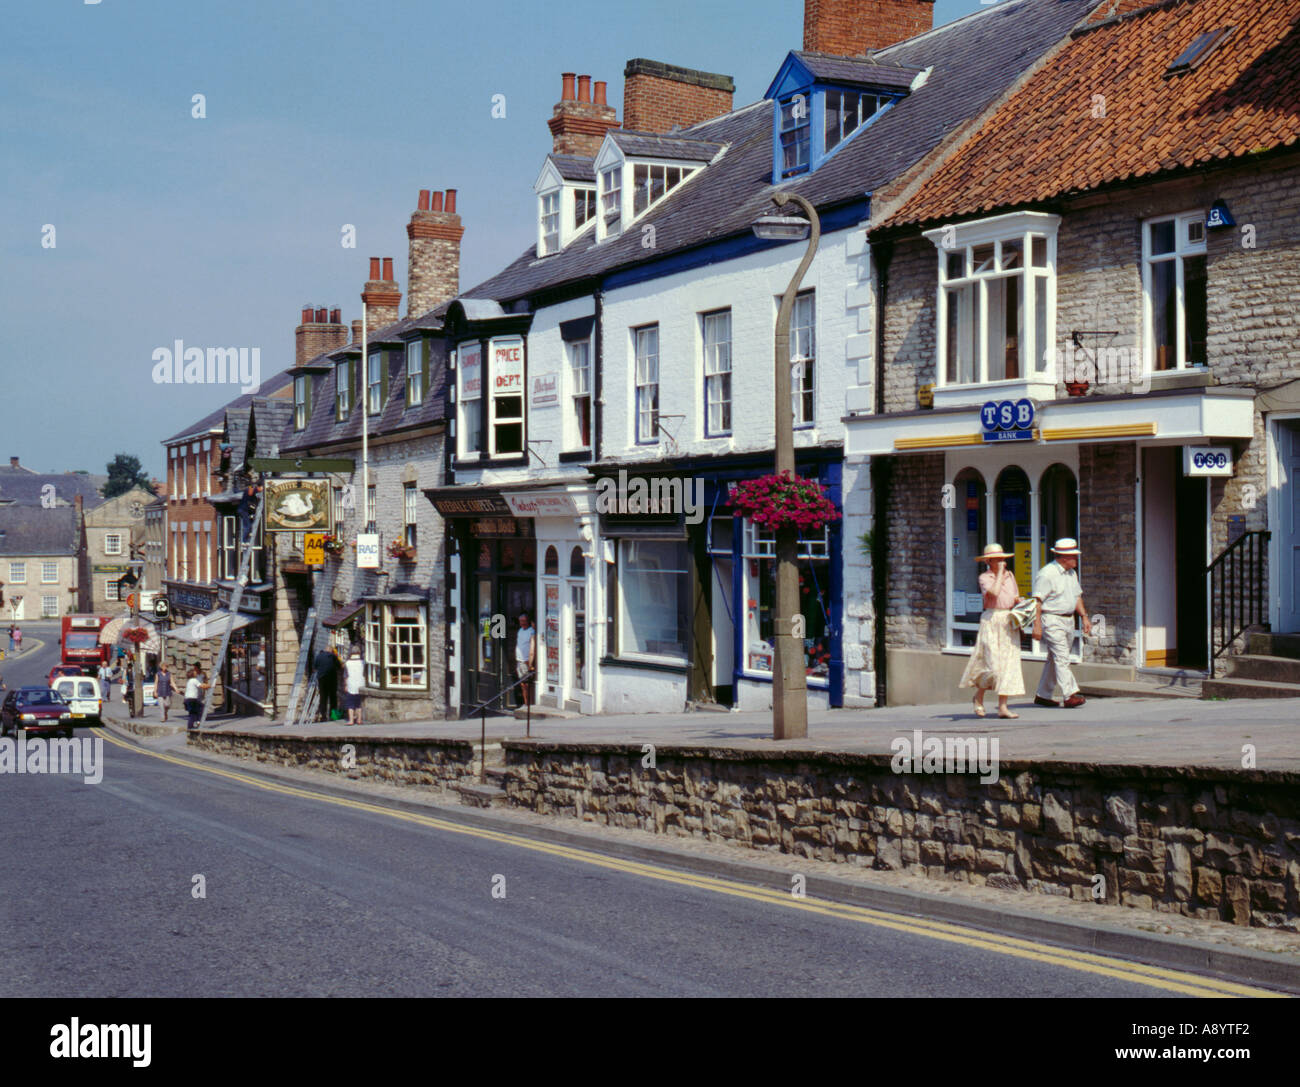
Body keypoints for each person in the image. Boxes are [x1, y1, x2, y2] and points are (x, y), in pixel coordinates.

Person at [959, 544, 1025, 719]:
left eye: (1003, 558)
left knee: (1008, 664)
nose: (1002, 562)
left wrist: (1019, 602)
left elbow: (1014, 596)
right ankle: (978, 696)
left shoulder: (1010, 576)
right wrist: (1000, 574)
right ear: (989, 561)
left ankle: (1003, 706)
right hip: (991, 620)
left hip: (1008, 620)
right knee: (992, 665)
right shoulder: (984, 577)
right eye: (997, 559)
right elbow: (994, 593)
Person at [1032, 537, 1092, 709]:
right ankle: (1070, 694)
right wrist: (1037, 625)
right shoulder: (1047, 574)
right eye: (1074, 555)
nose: (1076, 558)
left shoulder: (1072, 573)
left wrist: (1084, 617)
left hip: (1068, 619)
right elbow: (1037, 601)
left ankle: (1043, 694)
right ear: (1064, 557)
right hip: (1051, 618)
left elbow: (1077, 596)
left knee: (1055, 658)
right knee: (1062, 657)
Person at [314, 643, 340, 723]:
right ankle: (334, 716)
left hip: (322, 679)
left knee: (323, 698)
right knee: (333, 697)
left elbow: (315, 667)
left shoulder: (318, 656)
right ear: (331, 650)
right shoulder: (333, 656)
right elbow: (339, 666)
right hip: (332, 678)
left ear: (325, 649)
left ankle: (323, 716)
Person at [515, 613, 536, 708]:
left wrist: (530, 662)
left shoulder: (531, 631)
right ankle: (525, 702)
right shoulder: (520, 631)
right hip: (519, 660)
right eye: (520, 621)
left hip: (526, 661)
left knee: (526, 683)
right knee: (522, 684)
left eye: (524, 621)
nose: (522, 623)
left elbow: (532, 647)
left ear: (528, 621)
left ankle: (528, 704)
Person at [343, 646, 365, 726]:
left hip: (351, 684)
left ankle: (351, 720)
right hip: (361, 684)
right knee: (358, 703)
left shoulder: (347, 663)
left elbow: (345, 676)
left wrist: (345, 685)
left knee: (350, 704)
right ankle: (359, 719)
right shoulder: (363, 662)